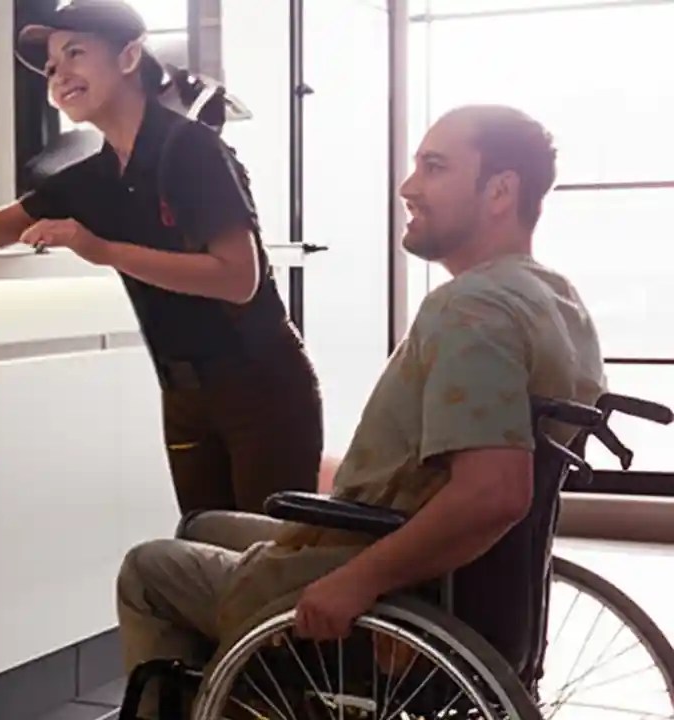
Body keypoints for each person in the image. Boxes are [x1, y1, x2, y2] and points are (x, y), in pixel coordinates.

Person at [114, 104, 606, 717]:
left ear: (500, 191)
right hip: (465, 576)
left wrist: (358, 582)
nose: (408, 186)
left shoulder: (472, 310)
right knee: (203, 526)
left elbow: (494, 493)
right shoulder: (554, 296)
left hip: (396, 582)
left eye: (435, 167)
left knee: (149, 570)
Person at [0, 0, 324, 516]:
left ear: (129, 57)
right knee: (203, 548)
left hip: (261, 385)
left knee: (265, 554)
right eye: (52, 67)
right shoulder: (91, 179)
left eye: (75, 53)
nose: (59, 75)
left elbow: (238, 278)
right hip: (182, 395)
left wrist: (102, 250)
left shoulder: (191, 149)